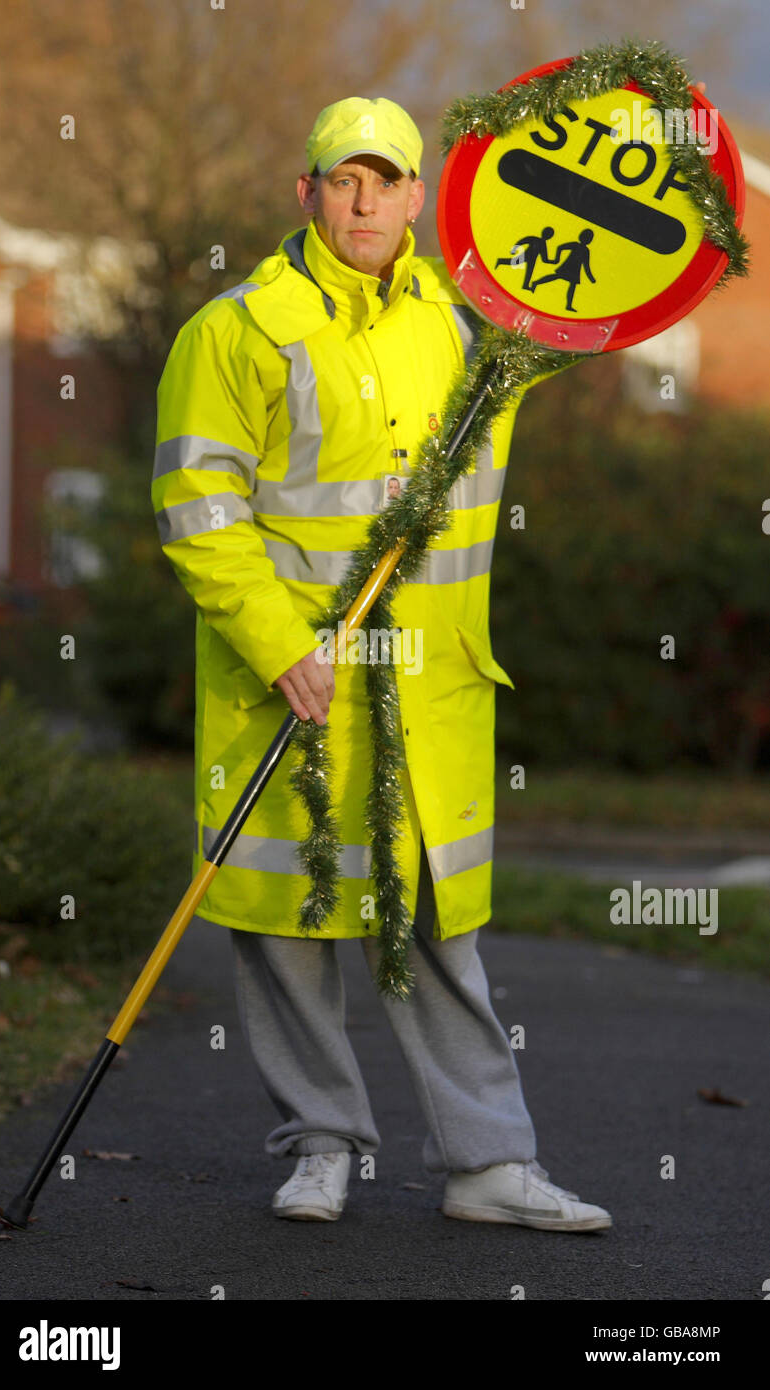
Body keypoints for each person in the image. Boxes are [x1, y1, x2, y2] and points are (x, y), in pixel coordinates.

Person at [152, 95, 611, 1232]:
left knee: (438, 931)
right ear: (305, 191)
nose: (364, 202)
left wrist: (654, 252)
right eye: (342, 180)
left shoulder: (463, 330)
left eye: (387, 180)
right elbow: (197, 506)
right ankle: (320, 1145)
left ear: (419, 196)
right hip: (290, 689)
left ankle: (488, 1166)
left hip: (429, 692)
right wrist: (273, 646)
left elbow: (577, 319)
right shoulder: (238, 329)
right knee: (287, 930)